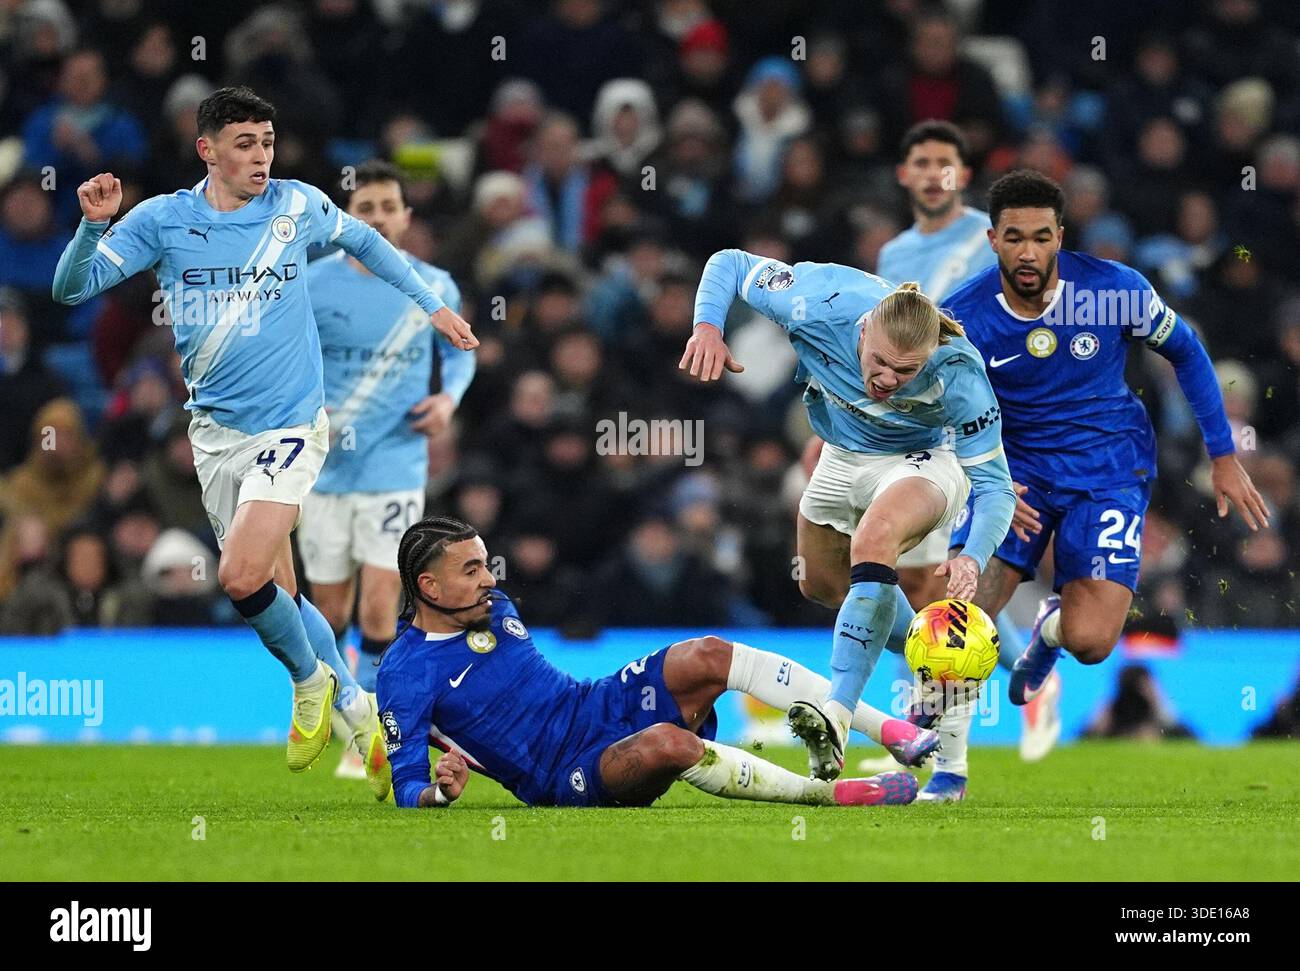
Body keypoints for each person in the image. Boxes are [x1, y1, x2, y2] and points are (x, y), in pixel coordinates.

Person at [50, 86, 478, 798]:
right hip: (216, 433)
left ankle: (312, 682)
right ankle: (357, 716)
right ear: (207, 150)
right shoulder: (162, 219)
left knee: (240, 575)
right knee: (273, 586)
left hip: (292, 426)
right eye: (245, 144)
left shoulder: (296, 205)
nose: (261, 157)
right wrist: (92, 227)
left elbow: (365, 239)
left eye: (268, 143)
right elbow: (72, 289)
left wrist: (429, 304)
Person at [940, 169, 1268, 799]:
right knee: (962, 617)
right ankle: (948, 773)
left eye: (1041, 236)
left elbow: (1188, 352)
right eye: (1015, 238)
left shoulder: (1113, 291)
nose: (1029, 252)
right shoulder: (962, 319)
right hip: (1017, 475)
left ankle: (1051, 631)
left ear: (1060, 235)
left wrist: (1222, 452)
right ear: (992, 241)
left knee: (1091, 644)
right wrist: (983, 487)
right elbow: (943, 417)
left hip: (1110, 470)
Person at [679, 247, 1017, 787]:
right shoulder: (815, 298)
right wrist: (708, 328)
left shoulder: (960, 375)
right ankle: (941, 654)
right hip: (839, 451)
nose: (885, 378)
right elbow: (728, 263)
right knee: (824, 587)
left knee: (875, 541)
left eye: (905, 371)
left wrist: (973, 557)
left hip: (922, 462)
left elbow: (996, 488)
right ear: (863, 330)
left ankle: (836, 715)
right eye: (878, 361)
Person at [378, 517, 938, 810]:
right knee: (667, 743)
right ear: (428, 585)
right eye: (472, 570)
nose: (491, 579)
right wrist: (438, 791)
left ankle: (887, 728)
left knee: (710, 652)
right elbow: (406, 786)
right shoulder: (404, 676)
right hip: (563, 772)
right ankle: (824, 794)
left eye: (485, 565)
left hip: (594, 702)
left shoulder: (493, 608)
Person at [299, 159, 476, 780]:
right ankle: (345, 710)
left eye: (387, 208)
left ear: (405, 216)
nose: (376, 218)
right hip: (320, 468)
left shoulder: (432, 285)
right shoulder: (310, 282)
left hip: (396, 464)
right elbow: (285, 352)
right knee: (330, 610)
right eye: (365, 208)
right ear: (348, 218)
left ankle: (367, 737)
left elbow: (460, 356)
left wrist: (447, 400)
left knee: (379, 609)